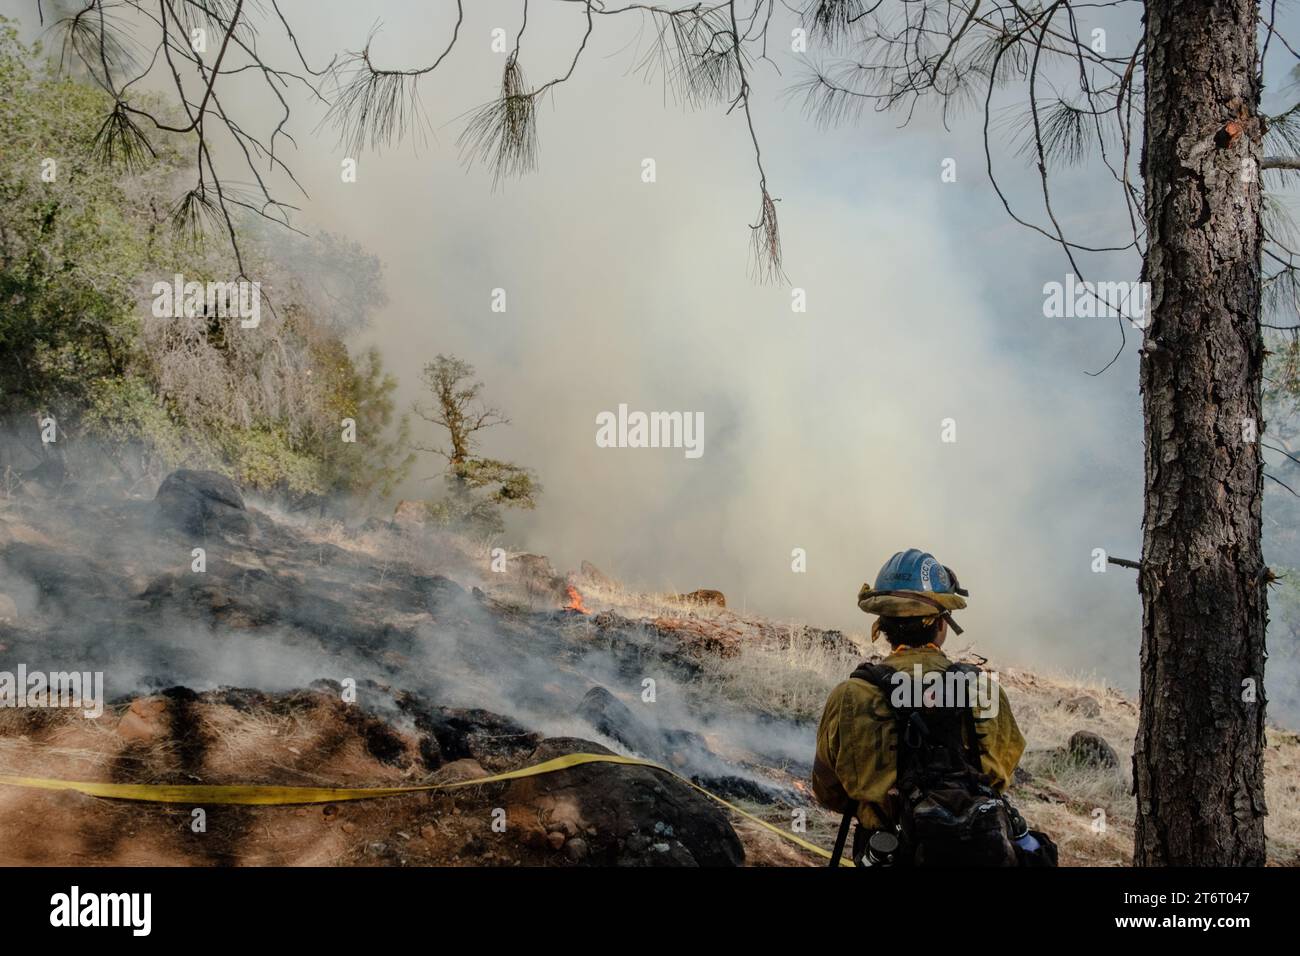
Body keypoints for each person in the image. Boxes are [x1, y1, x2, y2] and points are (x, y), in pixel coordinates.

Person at [813, 548, 1052, 866]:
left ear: (882, 626)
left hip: (887, 852)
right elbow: (999, 777)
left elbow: (829, 792)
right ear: (941, 625)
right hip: (977, 851)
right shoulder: (982, 691)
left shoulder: (851, 696)